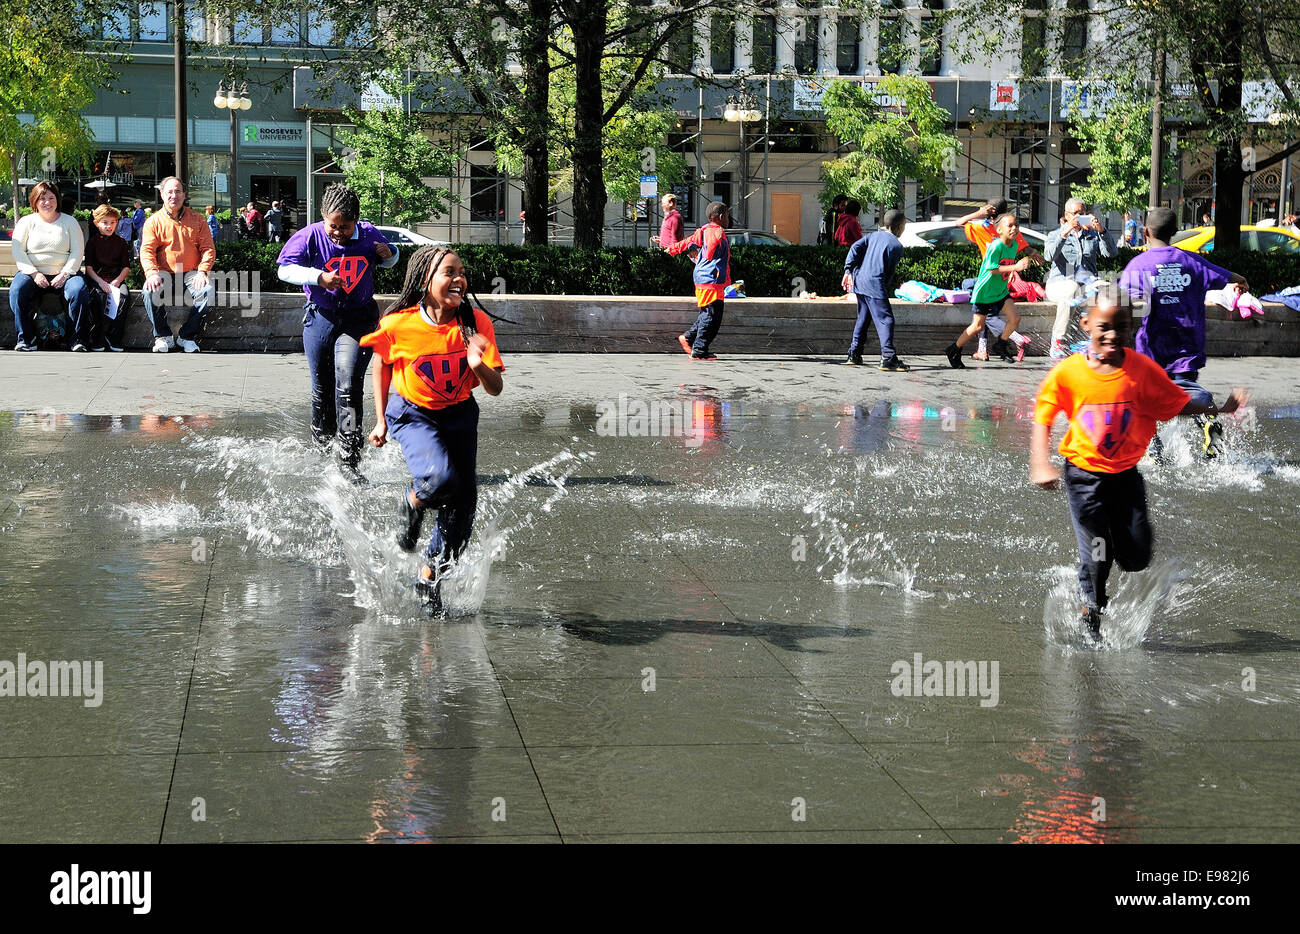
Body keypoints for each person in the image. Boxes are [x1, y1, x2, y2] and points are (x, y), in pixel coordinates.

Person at [1030, 292, 1248, 640]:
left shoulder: (1141, 370)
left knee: (1136, 557)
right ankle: (1091, 610)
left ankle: (1111, 547)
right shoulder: (1069, 372)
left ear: (1130, 328)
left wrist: (1218, 409)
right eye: (1104, 327)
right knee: (1097, 553)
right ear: (1086, 325)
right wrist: (1040, 462)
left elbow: (1174, 403)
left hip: (1125, 477)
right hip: (1084, 477)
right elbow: (1043, 414)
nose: (1113, 335)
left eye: (1122, 327)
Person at [362, 245, 505, 616]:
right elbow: (381, 366)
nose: (459, 279)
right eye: (449, 272)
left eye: (462, 272)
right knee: (440, 480)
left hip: (459, 415)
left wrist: (478, 364)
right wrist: (379, 420)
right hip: (412, 413)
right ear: (425, 281)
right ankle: (413, 501)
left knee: (463, 512)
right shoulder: (399, 324)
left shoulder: (475, 326)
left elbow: (495, 388)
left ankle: (428, 578)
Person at [277, 183, 399, 481]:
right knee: (322, 389)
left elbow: (389, 259)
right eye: (333, 226)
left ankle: (349, 459)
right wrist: (318, 276)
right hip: (321, 318)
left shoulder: (368, 233)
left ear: (356, 220)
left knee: (347, 386)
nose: (338, 232)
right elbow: (284, 269)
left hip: (358, 320)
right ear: (323, 218)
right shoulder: (311, 234)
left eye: (345, 227)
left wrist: (390, 253)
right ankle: (322, 452)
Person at [1117, 206, 1247, 457]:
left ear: (1145, 232)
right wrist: (1240, 278)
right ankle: (1209, 419)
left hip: (1151, 350)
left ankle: (1152, 449)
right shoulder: (1190, 260)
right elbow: (1223, 274)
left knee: (1145, 400)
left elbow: (1121, 301)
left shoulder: (1138, 265)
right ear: (1175, 232)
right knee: (1184, 391)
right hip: (1187, 347)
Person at [945, 213, 1037, 368]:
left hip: (1000, 291)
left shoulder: (1013, 245)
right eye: (1010, 226)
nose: (1014, 228)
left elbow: (1005, 266)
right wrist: (1015, 267)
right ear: (999, 230)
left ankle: (1000, 344)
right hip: (985, 292)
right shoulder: (996, 246)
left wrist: (1015, 269)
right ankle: (954, 349)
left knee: (1015, 318)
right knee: (977, 327)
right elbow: (991, 269)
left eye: (1017, 225)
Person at [8, 181, 90, 352]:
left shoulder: (70, 222)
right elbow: (18, 250)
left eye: (51, 198)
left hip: (65, 273)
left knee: (79, 290)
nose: (47, 202)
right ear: (35, 201)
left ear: (57, 200)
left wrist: (65, 274)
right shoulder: (26, 222)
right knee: (17, 290)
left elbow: (77, 251)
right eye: (42, 198)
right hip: (32, 272)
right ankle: (26, 339)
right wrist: (34, 273)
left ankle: (77, 339)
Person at [140, 175, 217, 354]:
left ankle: (187, 337)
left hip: (191, 274)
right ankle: (163, 336)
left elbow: (208, 249)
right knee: (148, 290)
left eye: (178, 191)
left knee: (208, 291)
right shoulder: (153, 222)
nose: (173, 195)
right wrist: (151, 273)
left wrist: (203, 271)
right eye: (169, 192)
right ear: (162, 194)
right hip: (163, 274)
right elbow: (146, 251)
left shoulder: (198, 220)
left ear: (184, 195)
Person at [1044, 198, 1117, 358]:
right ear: (1066, 215)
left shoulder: (1092, 235)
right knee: (1071, 288)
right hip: (1059, 284)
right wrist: (1065, 232)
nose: (1079, 216)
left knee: (1108, 290)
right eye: (1075, 213)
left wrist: (1102, 230)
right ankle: (1058, 340)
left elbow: (1111, 253)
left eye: (1082, 213)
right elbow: (1049, 256)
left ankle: (1100, 341)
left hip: (1086, 285)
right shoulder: (1055, 234)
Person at [840, 207, 910, 371]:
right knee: (886, 319)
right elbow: (888, 274)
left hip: (860, 281)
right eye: (904, 225)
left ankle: (854, 353)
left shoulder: (872, 235)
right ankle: (888, 357)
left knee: (863, 318)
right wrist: (882, 290)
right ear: (899, 226)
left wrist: (848, 270)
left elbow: (854, 248)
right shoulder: (896, 246)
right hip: (875, 284)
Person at [667, 200, 731, 361]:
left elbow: (687, 242)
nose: (729, 219)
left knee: (708, 314)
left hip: (705, 278)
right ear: (721, 216)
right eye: (728, 216)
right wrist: (710, 251)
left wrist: (672, 249)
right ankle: (700, 349)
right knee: (711, 316)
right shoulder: (715, 231)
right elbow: (710, 250)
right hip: (711, 279)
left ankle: (688, 338)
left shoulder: (703, 231)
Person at [84, 205, 132, 352]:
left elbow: (126, 267)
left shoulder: (121, 243)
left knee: (124, 296)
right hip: (96, 279)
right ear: (96, 223)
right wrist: (100, 281)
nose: (109, 226)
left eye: (112, 222)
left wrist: (117, 281)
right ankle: (97, 336)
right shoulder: (92, 242)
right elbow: (89, 268)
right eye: (105, 222)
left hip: (116, 279)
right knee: (98, 297)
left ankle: (114, 336)